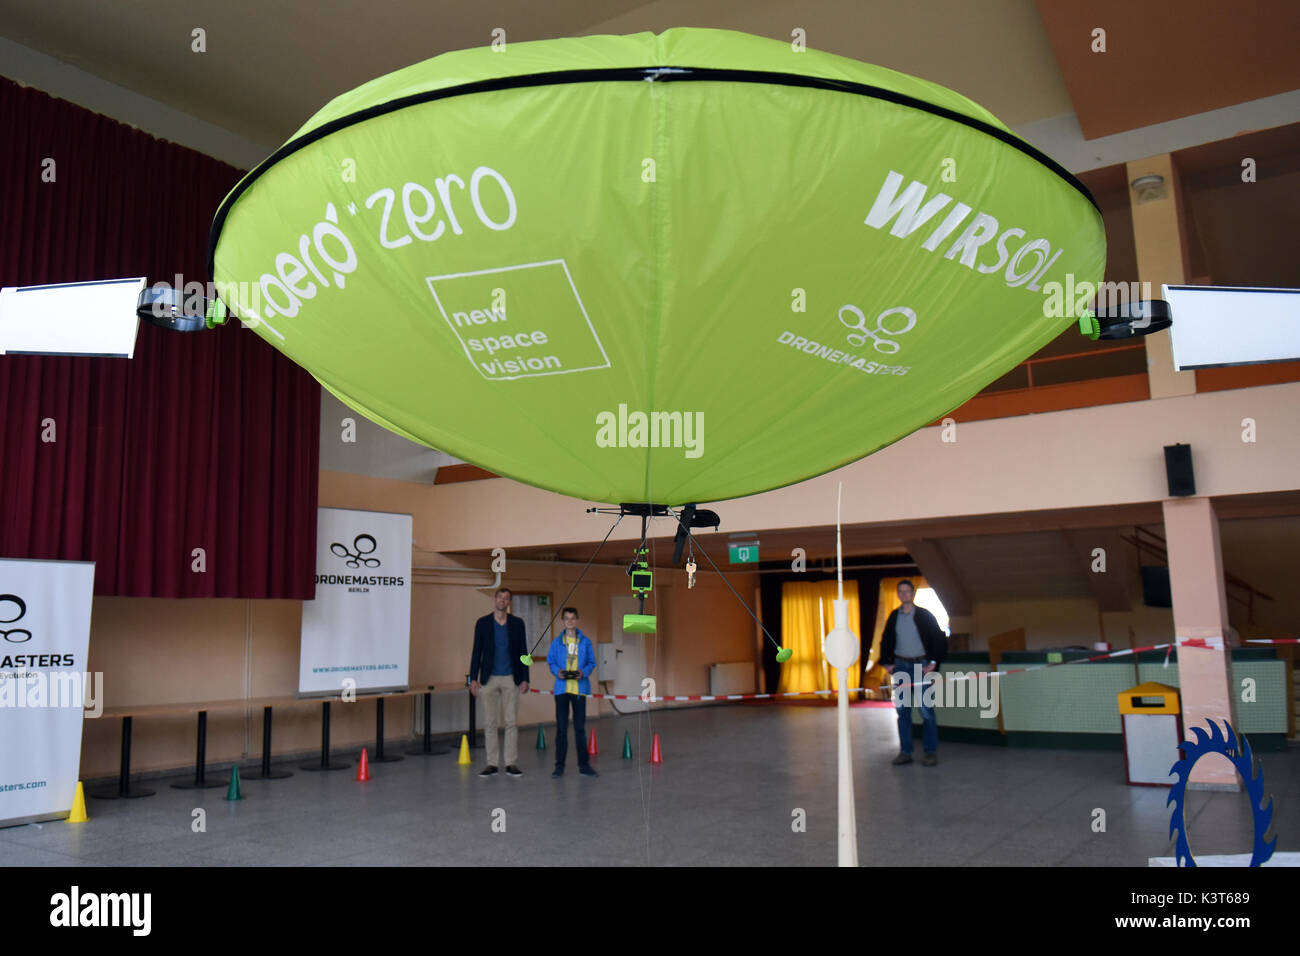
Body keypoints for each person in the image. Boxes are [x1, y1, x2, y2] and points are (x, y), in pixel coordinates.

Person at [879, 580, 947, 766]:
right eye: (901, 592)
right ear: (898, 594)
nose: (904, 595)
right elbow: (885, 640)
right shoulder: (894, 616)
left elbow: (939, 639)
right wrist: (886, 663)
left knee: (926, 711)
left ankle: (930, 752)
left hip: (921, 666)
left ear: (913, 593)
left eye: (907, 591)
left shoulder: (925, 615)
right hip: (900, 666)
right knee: (903, 712)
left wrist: (934, 662)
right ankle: (905, 752)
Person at [469, 587, 530, 776]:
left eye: (506, 598)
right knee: (490, 723)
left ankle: (511, 763)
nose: (502, 600)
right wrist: (473, 679)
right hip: (489, 678)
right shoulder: (483, 623)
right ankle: (492, 763)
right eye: (500, 597)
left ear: (509, 602)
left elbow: (523, 651)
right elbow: (476, 651)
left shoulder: (517, 624)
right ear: (494, 600)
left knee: (511, 722)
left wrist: (526, 678)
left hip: (512, 678)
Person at [547, 607, 598, 778]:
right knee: (561, 729)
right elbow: (551, 661)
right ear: (562, 621)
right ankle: (559, 767)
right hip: (562, 690)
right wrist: (557, 672)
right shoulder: (556, 643)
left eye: (572, 618)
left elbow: (592, 662)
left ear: (577, 620)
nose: (569, 621)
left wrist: (584, 672)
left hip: (579, 690)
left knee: (579, 729)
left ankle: (584, 766)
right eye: (566, 618)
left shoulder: (585, 642)